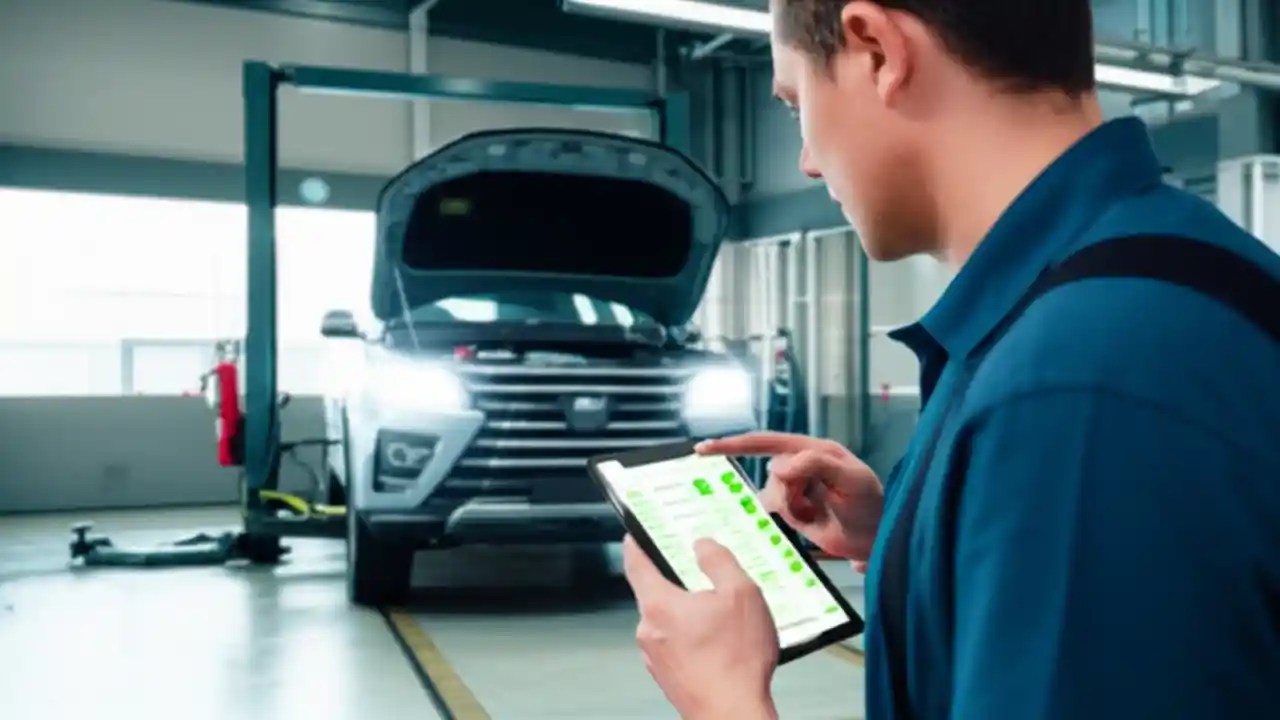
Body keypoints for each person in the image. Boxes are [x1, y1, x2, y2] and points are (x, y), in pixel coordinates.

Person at [619, 1, 1280, 718]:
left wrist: (723, 698)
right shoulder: (1159, 276)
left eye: (793, 102)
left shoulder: (1073, 389)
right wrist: (916, 534)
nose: (807, 161)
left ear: (877, 50)